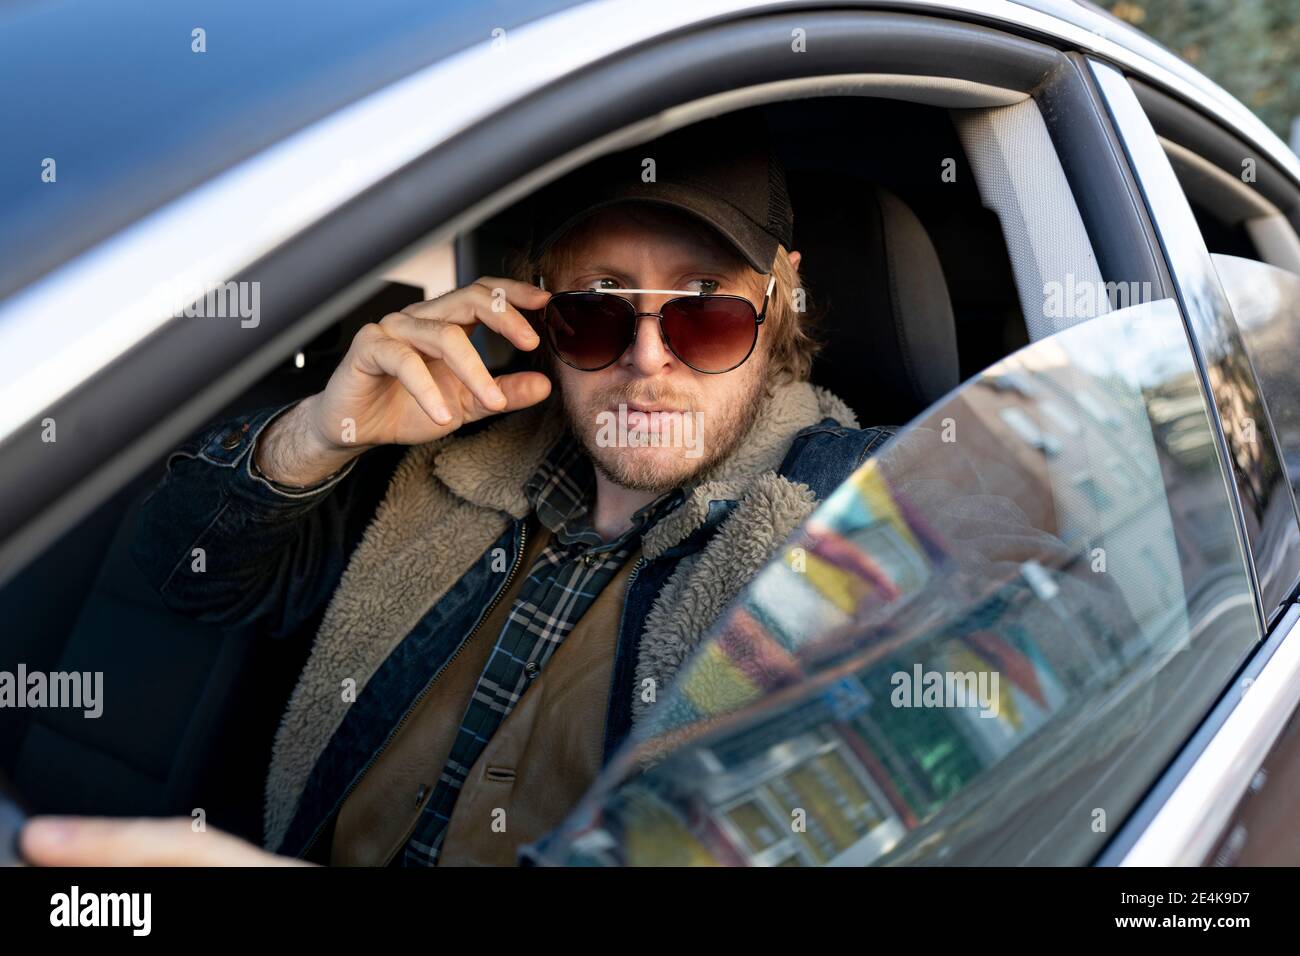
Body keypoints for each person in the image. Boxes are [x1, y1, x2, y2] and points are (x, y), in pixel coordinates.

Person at [19, 115, 896, 866]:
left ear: (783, 294)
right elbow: (184, 574)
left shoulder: (855, 514)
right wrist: (324, 432)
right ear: (532, 303)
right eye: (596, 305)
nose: (647, 356)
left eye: (705, 307)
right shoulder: (437, 464)